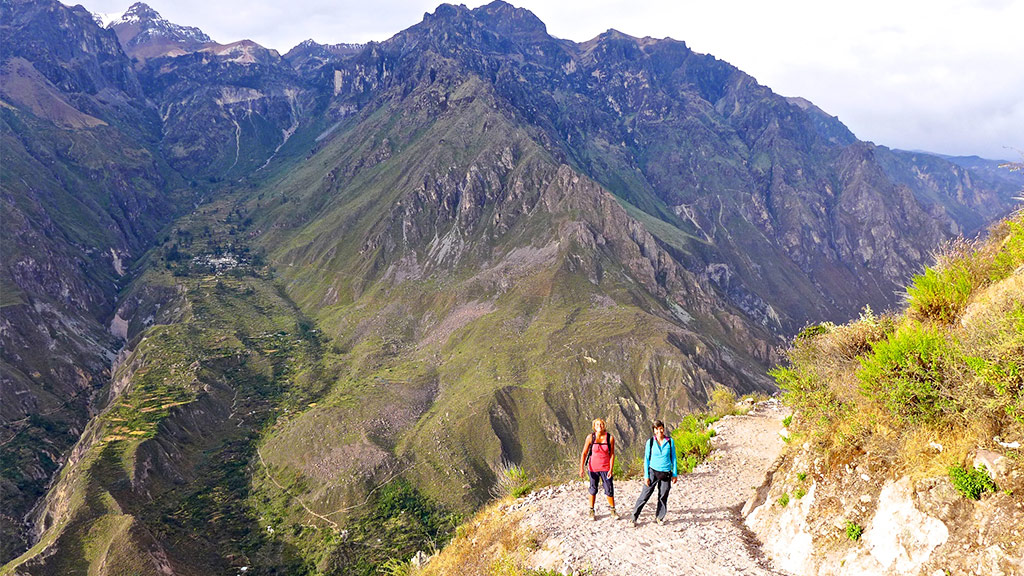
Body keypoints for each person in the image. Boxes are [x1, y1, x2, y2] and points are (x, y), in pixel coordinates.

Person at [631, 420, 677, 526]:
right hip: (653, 472)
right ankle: (633, 517)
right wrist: (646, 475)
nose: (659, 431)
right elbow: (646, 459)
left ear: (663, 429)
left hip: (666, 473)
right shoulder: (650, 442)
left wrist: (674, 474)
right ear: (654, 430)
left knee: (663, 496)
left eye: (661, 428)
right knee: (645, 495)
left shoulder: (670, 441)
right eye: (657, 429)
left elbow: (673, 458)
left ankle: (659, 517)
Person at [579, 418, 617, 520]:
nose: (599, 426)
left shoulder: (610, 438)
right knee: (593, 489)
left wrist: (611, 469)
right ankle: (591, 510)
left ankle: (613, 510)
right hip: (593, 468)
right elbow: (584, 453)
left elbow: (612, 454)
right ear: (594, 427)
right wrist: (581, 468)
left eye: (601, 424)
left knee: (609, 489)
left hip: (605, 468)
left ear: (604, 425)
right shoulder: (590, 438)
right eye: (597, 425)